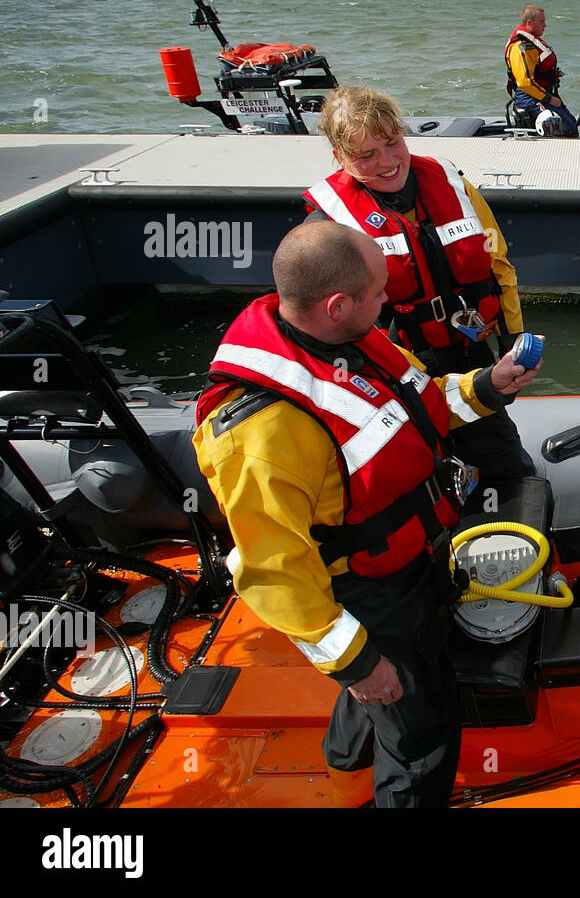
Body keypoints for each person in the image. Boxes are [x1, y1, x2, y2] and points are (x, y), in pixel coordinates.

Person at [192, 222, 542, 808]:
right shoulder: (262, 430)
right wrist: (356, 664)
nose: (389, 302)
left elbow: (422, 402)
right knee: (419, 735)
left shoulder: (353, 340)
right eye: (379, 293)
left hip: (415, 559)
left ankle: (346, 762)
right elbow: (274, 568)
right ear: (337, 304)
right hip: (369, 592)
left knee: (389, 693)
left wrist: (488, 383)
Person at [303, 86, 536, 485]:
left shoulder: (450, 183)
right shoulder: (329, 226)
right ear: (340, 158)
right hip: (399, 370)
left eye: (393, 143)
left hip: (470, 346)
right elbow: (330, 328)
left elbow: (499, 265)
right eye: (367, 155)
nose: (388, 161)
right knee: (419, 475)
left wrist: (513, 338)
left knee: (508, 470)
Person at [505, 4, 577, 137]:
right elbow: (525, 83)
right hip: (529, 96)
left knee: (572, 124)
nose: (545, 25)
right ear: (529, 23)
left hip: (541, 92)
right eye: (542, 21)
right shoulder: (521, 48)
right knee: (565, 129)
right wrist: (549, 99)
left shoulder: (532, 44)